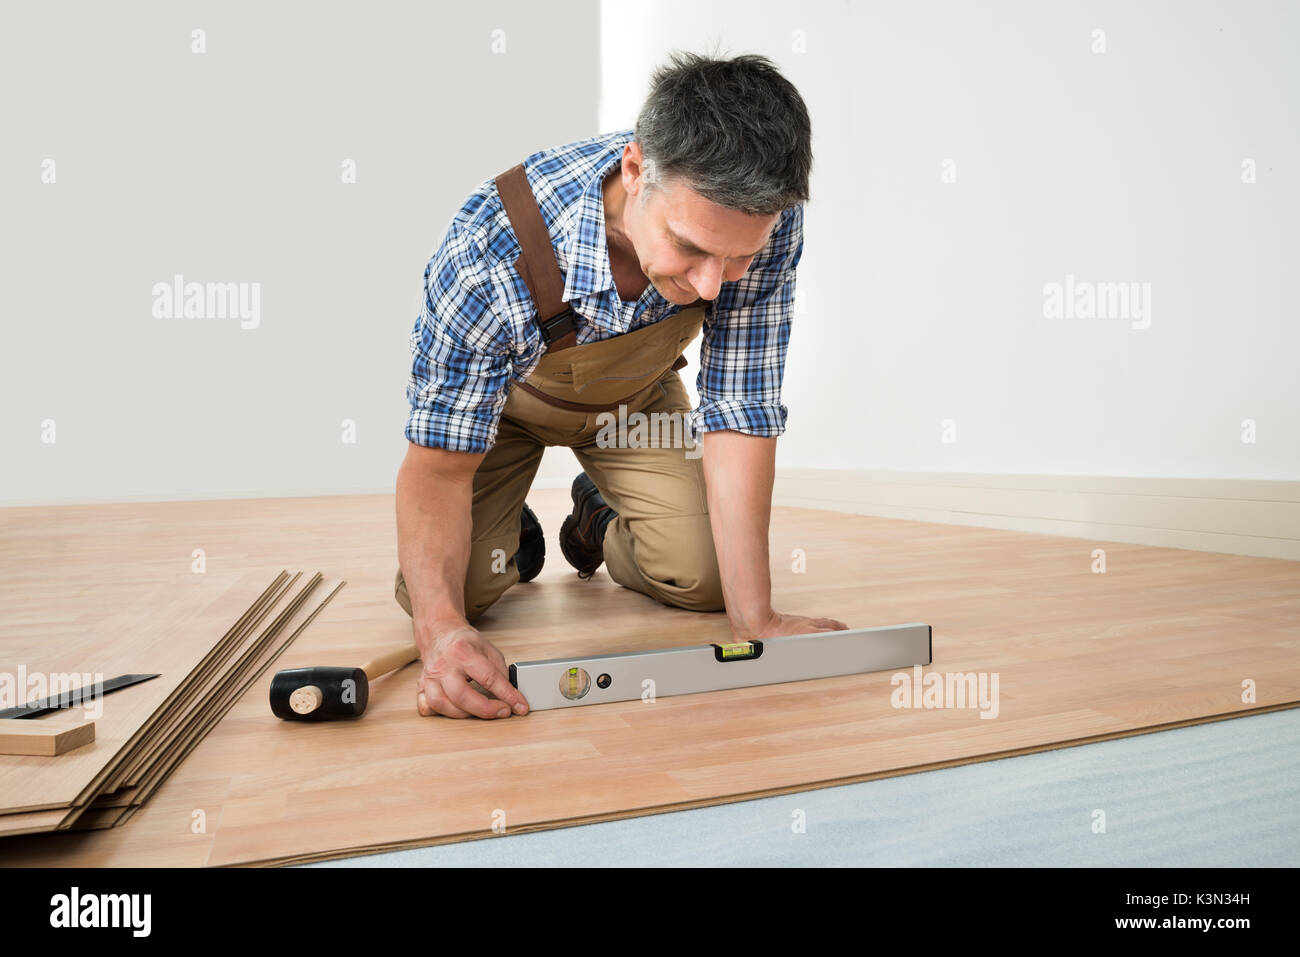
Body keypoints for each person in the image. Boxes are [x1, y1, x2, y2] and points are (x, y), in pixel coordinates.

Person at [395, 51, 847, 720]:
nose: (714, 285)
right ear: (634, 172)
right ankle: (509, 531)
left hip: (637, 405)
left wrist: (757, 622)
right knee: (451, 589)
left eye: (739, 258)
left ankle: (598, 512)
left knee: (709, 578)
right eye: (690, 248)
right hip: (505, 413)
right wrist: (441, 634)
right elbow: (436, 468)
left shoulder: (761, 217)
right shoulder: (486, 253)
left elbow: (740, 408)